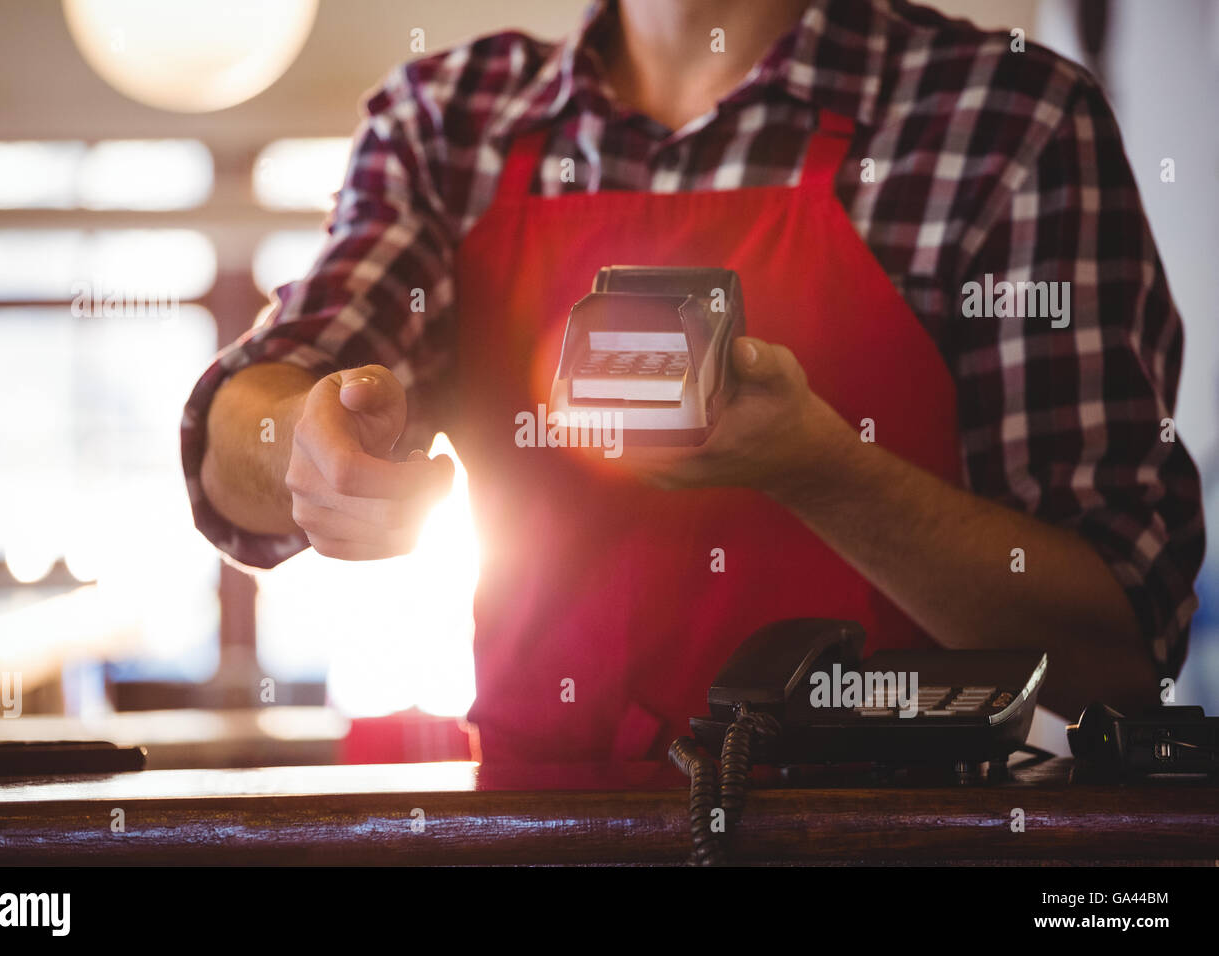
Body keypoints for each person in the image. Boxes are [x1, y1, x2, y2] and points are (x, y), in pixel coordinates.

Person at [182, 0, 1205, 762]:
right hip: (540, 834)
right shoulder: (449, 120)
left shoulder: (1009, 122)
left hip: (907, 840)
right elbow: (247, 429)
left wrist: (819, 469)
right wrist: (302, 443)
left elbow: (1114, 647)